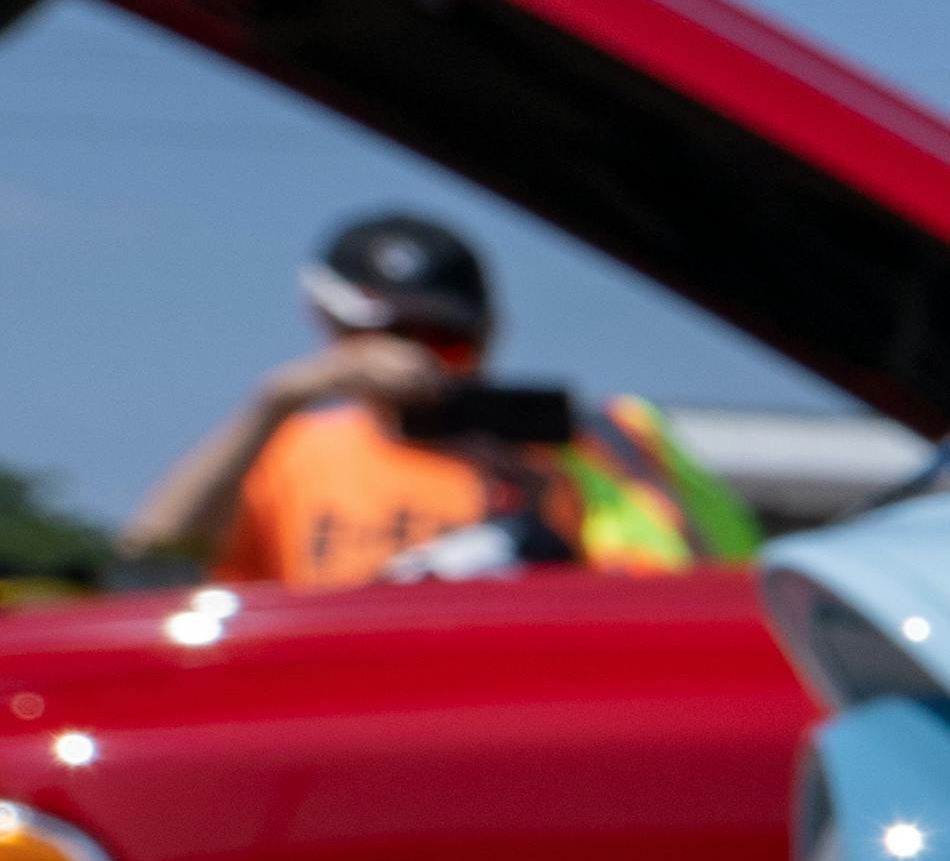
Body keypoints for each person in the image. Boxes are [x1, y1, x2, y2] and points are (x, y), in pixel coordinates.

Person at [112, 214, 750, 584]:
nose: (411, 360)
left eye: (443, 340)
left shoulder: (576, 450)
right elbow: (152, 561)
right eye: (385, 336)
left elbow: (675, 585)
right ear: (329, 327)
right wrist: (276, 400)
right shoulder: (290, 447)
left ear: (487, 333)